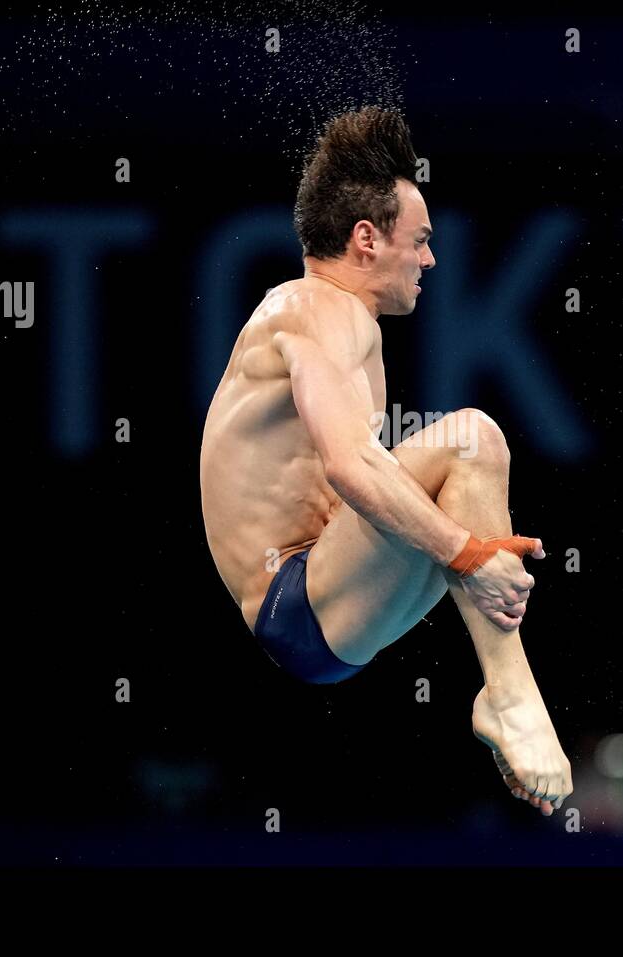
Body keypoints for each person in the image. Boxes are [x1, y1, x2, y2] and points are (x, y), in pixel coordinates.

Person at [199, 106, 571, 815]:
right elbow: (349, 465)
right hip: (296, 601)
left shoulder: (346, 322)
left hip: (320, 608)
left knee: (468, 461)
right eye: (420, 240)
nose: (430, 259)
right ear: (366, 238)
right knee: (472, 440)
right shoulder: (309, 308)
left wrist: (468, 546)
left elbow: (358, 483)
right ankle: (512, 692)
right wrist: (468, 553)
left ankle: (505, 694)